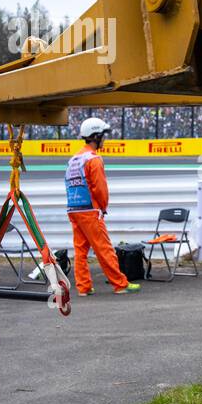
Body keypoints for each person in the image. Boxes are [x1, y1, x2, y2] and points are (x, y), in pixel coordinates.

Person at [65, 117, 139, 296]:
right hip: (90, 210)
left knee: (80, 250)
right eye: (103, 135)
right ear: (96, 136)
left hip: (74, 209)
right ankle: (120, 284)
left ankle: (83, 287)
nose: (104, 139)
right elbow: (100, 188)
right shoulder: (94, 159)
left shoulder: (74, 159)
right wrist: (103, 207)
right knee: (104, 248)